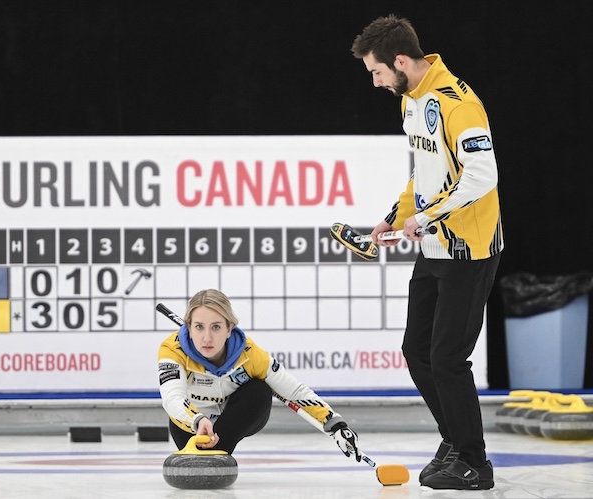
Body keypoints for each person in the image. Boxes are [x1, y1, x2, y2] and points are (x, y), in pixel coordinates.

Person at [350, 15, 504, 491]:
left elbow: (482, 177)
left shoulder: (459, 102)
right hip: (433, 244)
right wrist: (395, 217)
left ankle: (475, 464)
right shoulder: (411, 102)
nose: (375, 83)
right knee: (416, 350)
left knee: (447, 357)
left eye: (376, 72)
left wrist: (426, 218)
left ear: (400, 62)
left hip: (470, 248)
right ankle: (454, 440)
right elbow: (425, 172)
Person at [157, 289, 360, 461]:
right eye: (199, 327)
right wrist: (197, 420)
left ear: (229, 329)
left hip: (230, 423)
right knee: (182, 414)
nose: (207, 337)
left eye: (216, 327)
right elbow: (172, 398)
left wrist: (336, 424)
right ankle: (211, 452)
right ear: (189, 328)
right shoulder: (172, 351)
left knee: (259, 389)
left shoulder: (249, 354)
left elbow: (295, 391)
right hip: (190, 428)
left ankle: (219, 452)